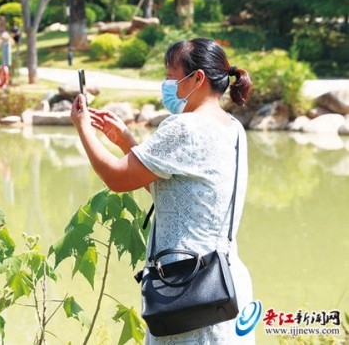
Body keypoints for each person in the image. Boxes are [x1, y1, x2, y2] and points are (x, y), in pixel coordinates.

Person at [70, 38, 255, 343]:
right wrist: (126, 140)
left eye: (171, 77)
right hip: (225, 283)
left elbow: (117, 179)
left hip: (188, 291)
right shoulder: (232, 127)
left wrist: (82, 128)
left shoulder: (185, 127)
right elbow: (176, 194)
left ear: (197, 79)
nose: (167, 86)